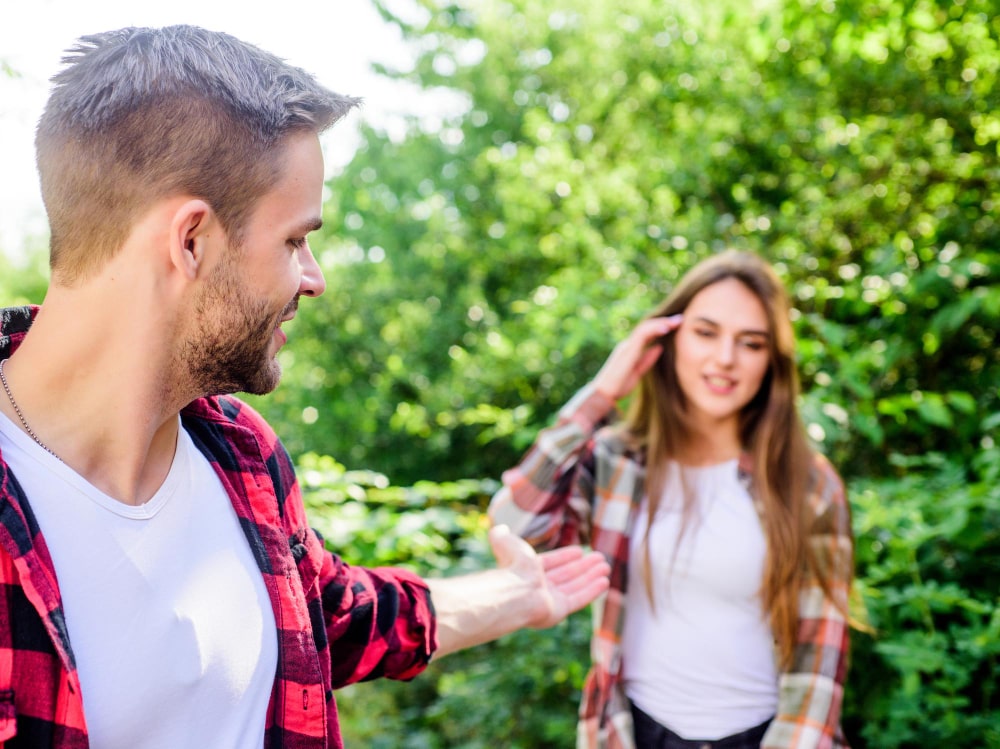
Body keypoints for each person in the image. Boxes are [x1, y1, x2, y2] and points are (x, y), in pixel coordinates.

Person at [0, 25, 611, 749]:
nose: (314, 278)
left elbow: (331, 615)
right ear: (190, 240)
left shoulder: (240, 454)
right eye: (294, 240)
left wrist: (517, 594)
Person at [489, 250, 854, 749]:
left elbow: (820, 661)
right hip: (631, 732)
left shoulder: (807, 481)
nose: (725, 358)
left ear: (771, 361)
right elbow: (517, 530)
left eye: (750, 343)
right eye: (706, 332)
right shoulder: (618, 461)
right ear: (668, 337)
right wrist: (602, 393)